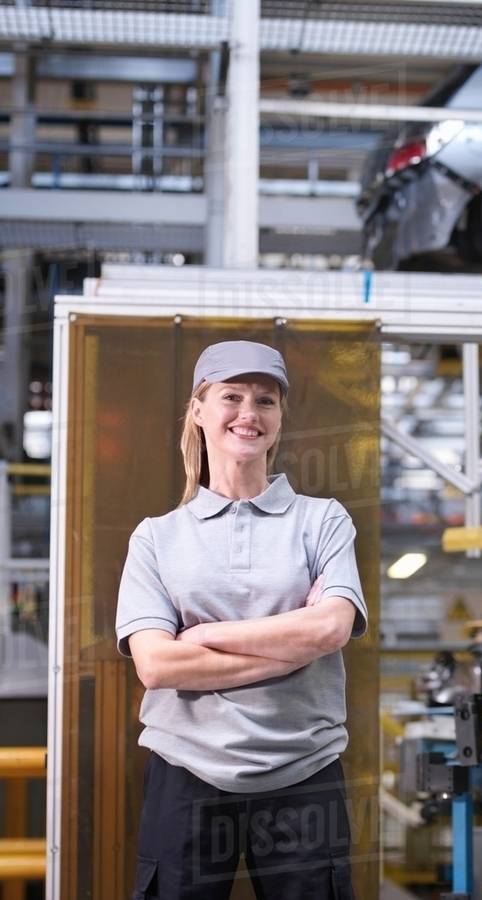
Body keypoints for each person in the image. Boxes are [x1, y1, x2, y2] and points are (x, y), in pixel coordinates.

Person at [115, 340, 368, 899]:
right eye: (231, 397)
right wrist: (290, 644)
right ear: (199, 411)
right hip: (187, 774)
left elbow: (330, 629)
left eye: (265, 400)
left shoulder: (322, 521)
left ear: (279, 419)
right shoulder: (156, 537)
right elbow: (156, 665)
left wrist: (206, 639)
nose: (248, 414)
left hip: (305, 772)